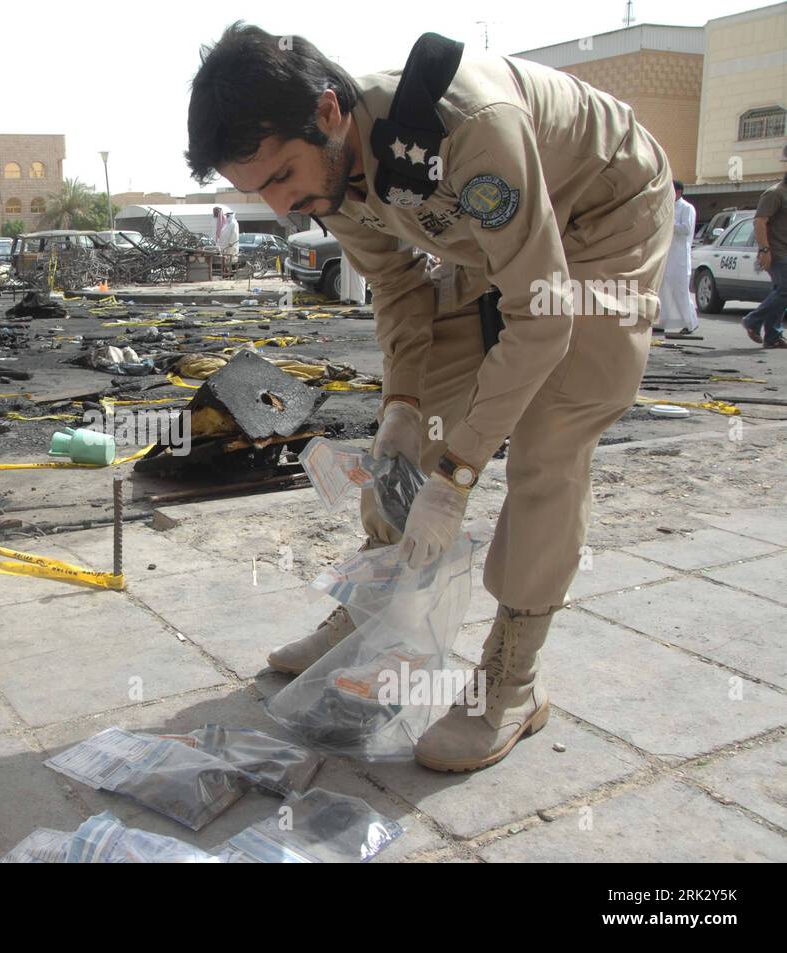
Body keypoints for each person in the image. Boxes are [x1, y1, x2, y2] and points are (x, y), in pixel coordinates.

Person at [187, 24, 672, 772]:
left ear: (327, 111)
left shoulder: (468, 131)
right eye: (259, 192)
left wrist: (462, 474)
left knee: (551, 435)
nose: (284, 207)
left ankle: (513, 677)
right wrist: (406, 408)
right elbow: (397, 286)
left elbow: (541, 316)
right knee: (419, 435)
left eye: (282, 177)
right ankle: (373, 606)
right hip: (498, 240)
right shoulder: (333, 171)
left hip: (599, 217)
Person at [742, 145, 787, 349]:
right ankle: (753, 320)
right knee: (784, 291)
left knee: (781, 292)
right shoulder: (775, 193)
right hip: (777, 253)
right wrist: (764, 250)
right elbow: (760, 222)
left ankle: (773, 336)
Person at [657, 181, 699, 335]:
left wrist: (670, 223)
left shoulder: (687, 208)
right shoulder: (667, 206)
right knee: (664, 288)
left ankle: (690, 323)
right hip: (668, 254)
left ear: (679, 192)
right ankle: (663, 321)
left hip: (680, 256)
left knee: (681, 290)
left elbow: (686, 229)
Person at [212, 205, 239, 269]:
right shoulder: (227, 224)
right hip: (224, 246)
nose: (226, 217)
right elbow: (221, 234)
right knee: (225, 261)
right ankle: (225, 274)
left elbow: (234, 235)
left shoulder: (234, 223)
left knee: (230, 260)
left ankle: (230, 274)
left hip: (231, 246)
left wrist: (231, 243)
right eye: (226, 215)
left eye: (228, 215)